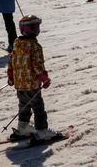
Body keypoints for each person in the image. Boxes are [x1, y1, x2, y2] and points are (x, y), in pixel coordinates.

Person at [6, 15, 61, 143]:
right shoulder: (35, 46)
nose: (38, 29)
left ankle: (23, 128)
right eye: (37, 26)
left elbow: (11, 61)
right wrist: (44, 79)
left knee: (24, 106)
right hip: (32, 84)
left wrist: (11, 76)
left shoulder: (17, 44)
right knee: (38, 107)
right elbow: (37, 66)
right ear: (33, 29)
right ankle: (42, 131)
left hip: (20, 85)